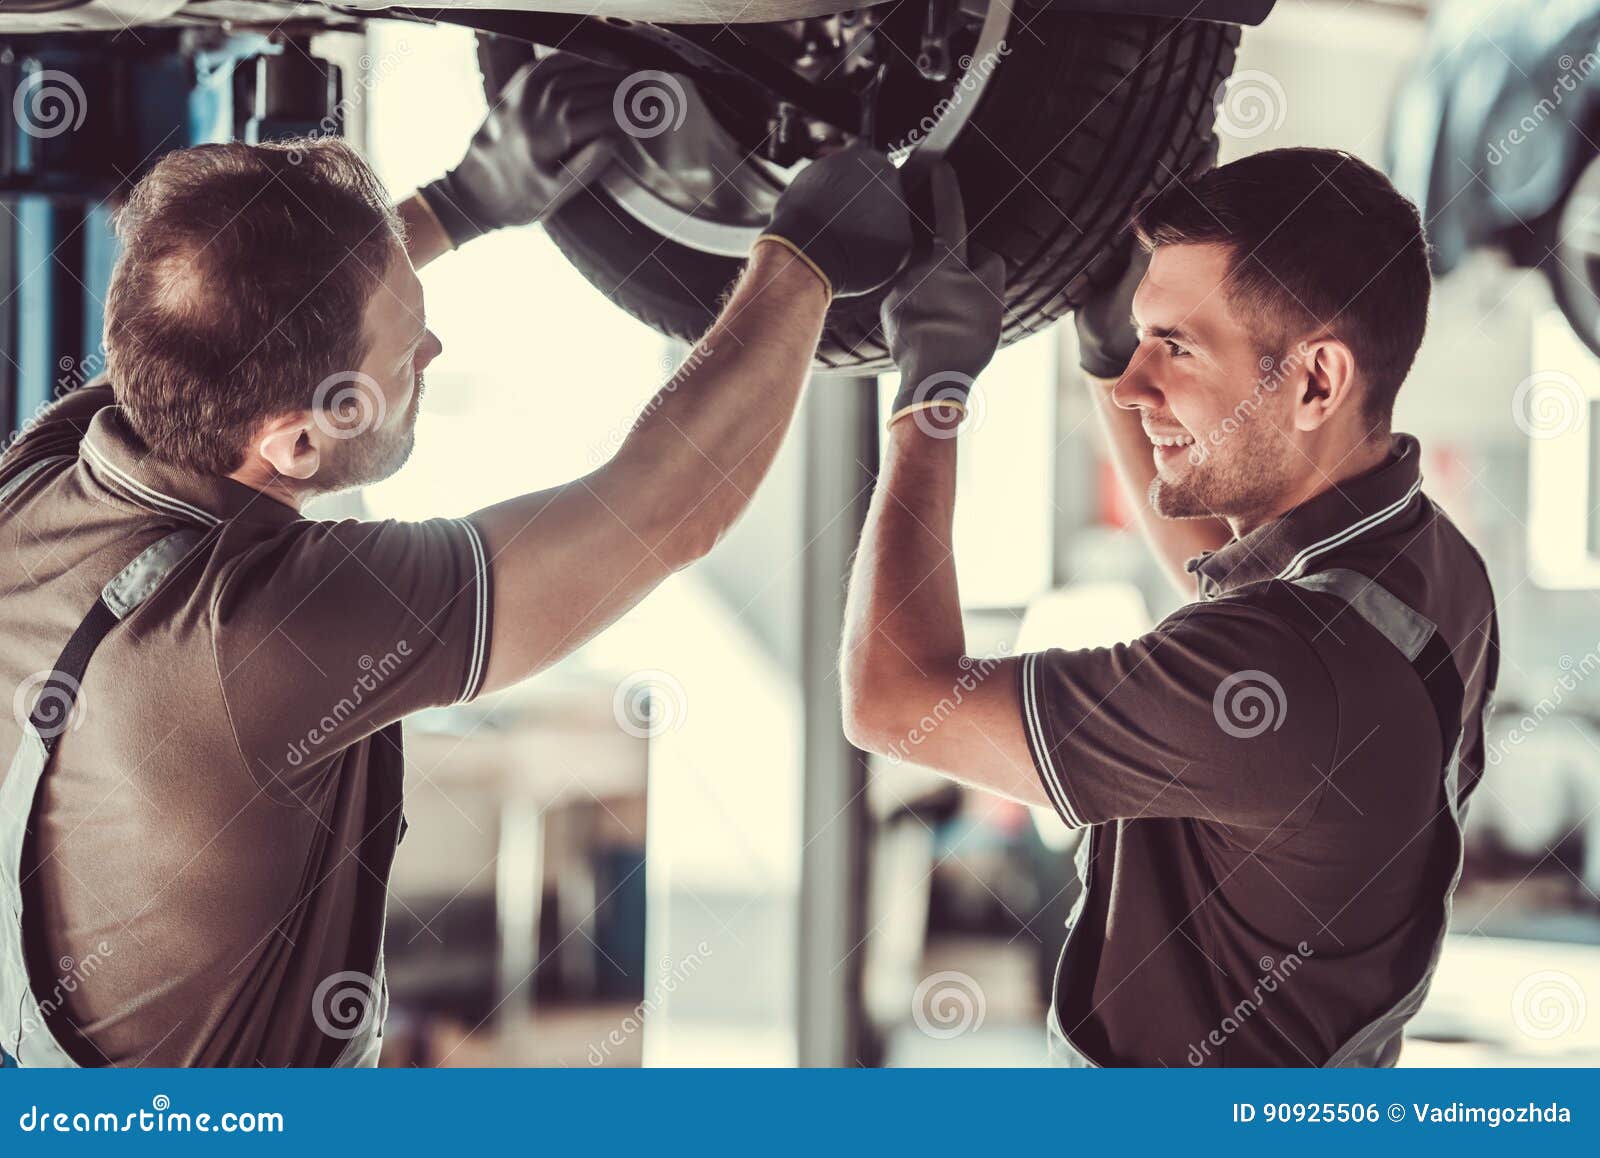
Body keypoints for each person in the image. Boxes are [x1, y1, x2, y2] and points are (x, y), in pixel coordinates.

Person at [0, 54, 910, 1066]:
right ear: (298, 443)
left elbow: (276, 303)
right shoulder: (254, 638)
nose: (431, 354)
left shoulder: (46, 476)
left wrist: (467, 201)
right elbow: (660, 513)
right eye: (406, 355)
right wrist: (803, 264)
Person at [841, 147, 1499, 1067]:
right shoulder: (1425, 563)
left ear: (1315, 381)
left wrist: (929, 397)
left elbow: (895, 701)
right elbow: (1221, 580)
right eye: (1141, 343)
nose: (1132, 388)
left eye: (1176, 348)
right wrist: (1115, 350)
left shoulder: (1286, 668)